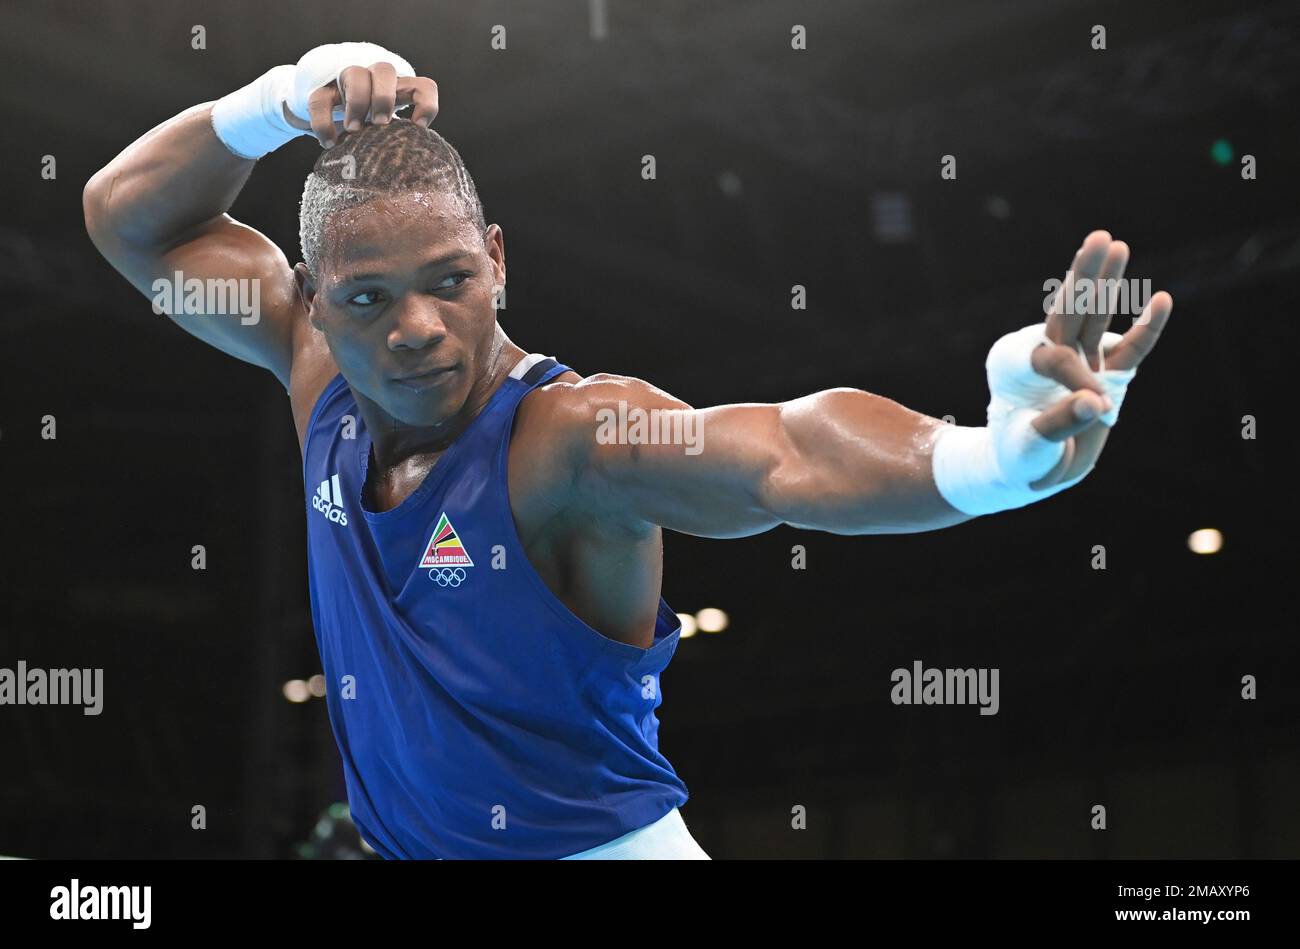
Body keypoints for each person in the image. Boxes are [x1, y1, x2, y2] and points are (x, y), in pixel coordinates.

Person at [82, 42, 1171, 859]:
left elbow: (780, 453)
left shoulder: (574, 438)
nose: (417, 327)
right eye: (369, 298)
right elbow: (127, 218)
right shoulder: (313, 365)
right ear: (314, 300)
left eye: (450, 279)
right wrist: (274, 99)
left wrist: (990, 458)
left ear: (496, 261)